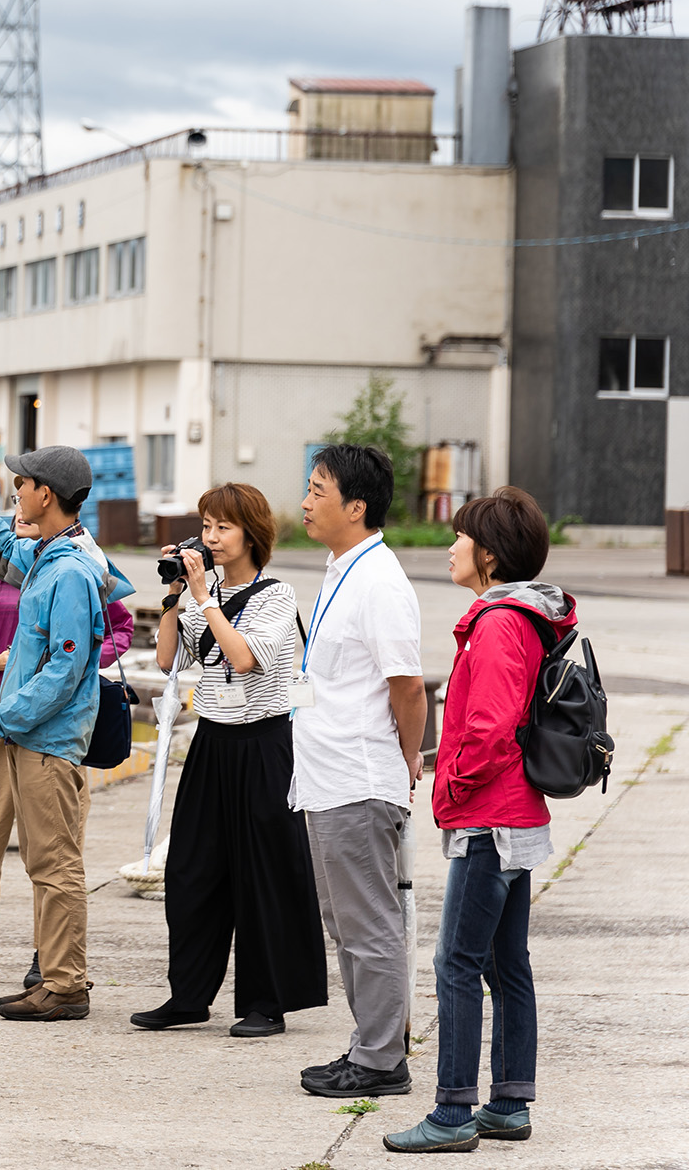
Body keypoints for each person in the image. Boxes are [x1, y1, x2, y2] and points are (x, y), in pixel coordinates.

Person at [383, 487, 566, 1153]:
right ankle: (510, 1100)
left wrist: (449, 787)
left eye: (461, 538)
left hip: (489, 819)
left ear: (488, 554)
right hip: (516, 816)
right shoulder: (522, 617)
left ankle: (453, 1112)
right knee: (504, 961)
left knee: (455, 962)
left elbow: (487, 730)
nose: (452, 546)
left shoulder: (496, 623)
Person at [130, 483, 327, 1038]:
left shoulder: (274, 595)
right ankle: (188, 996)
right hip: (213, 744)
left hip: (264, 746)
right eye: (206, 526)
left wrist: (207, 601)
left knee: (263, 877)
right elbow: (169, 657)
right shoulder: (201, 592)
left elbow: (242, 659)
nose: (211, 538)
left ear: (251, 534)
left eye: (222, 528)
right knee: (193, 871)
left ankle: (267, 1003)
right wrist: (176, 596)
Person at [0, 446, 132, 1022]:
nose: (17, 494)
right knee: (40, 861)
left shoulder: (72, 571)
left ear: (45, 494)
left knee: (53, 863)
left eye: (21, 485)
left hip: (47, 741)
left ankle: (66, 984)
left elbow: (65, 669)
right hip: (29, 732)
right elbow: (0, 549)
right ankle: (54, 976)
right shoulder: (52, 555)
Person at [292, 444, 427, 1100]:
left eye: (318, 489)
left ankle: (381, 1060)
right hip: (326, 775)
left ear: (356, 505)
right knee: (345, 922)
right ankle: (367, 1044)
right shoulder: (341, 566)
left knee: (369, 924)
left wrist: (407, 760)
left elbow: (408, 687)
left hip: (359, 776)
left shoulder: (380, 583)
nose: (305, 501)